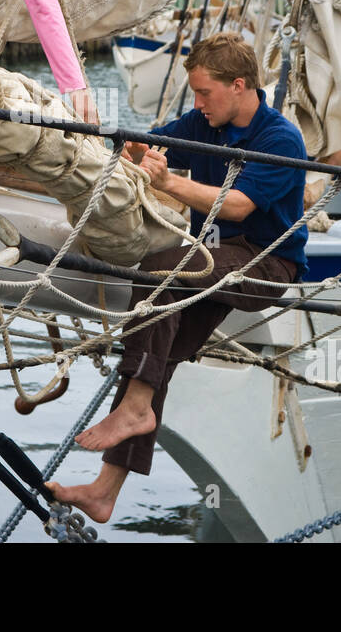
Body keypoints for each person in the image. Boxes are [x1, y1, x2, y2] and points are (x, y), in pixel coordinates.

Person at [47, 32, 307, 523]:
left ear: (238, 85)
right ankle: (104, 492)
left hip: (267, 264)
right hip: (220, 258)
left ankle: (134, 407)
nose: (198, 103)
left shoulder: (279, 137)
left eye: (204, 92)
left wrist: (168, 181)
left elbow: (238, 204)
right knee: (157, 357)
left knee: (161, 267)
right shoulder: (203, 122)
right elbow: (155, 141)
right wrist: (127, 148)